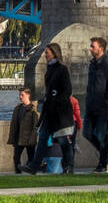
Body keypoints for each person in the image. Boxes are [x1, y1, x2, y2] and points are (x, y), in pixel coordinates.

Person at [24, 42, 74, 175]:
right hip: (49, 112)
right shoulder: (49, 69)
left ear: (54, 53)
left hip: (60, 113)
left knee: (63, 140)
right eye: (45, 52)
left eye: (47, 52)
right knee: (42, 139)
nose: (45, 55)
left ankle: (69, 167)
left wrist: (56, 99)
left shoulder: (62, 69)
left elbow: (67, 90)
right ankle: (34, 166)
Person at [82, 37, 108, 172]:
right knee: (86, 133)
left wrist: (106, 103)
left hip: (103, 108)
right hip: (91, 106)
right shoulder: (93, 64)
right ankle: (106, 155)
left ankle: (102, 164)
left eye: (93, 46)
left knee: (102, 136)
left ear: (101, 49)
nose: (90, 49)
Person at [7, 88, 40, 173]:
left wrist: (33, 139)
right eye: (20, 95)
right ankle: (18, 173)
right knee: (16, 157)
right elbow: (14, 125)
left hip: (29, 139)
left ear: (28, 95)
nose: (20, 97)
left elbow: (35, 126)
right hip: (19, 138)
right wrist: (12, 138)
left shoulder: (33, 109)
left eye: (22, 95)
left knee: (31, 157)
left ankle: (31, 172)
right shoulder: (18, 108)